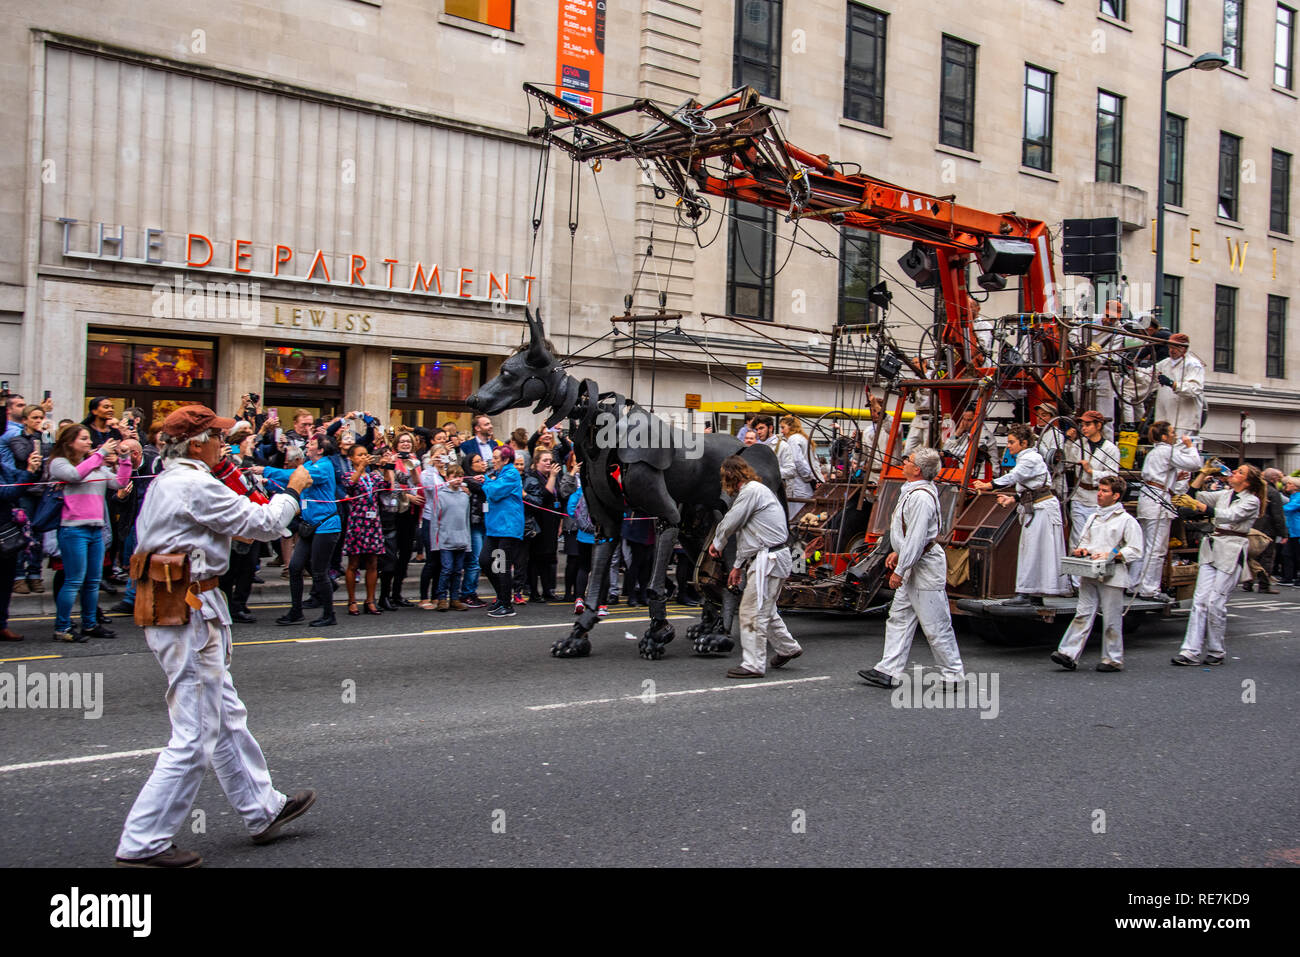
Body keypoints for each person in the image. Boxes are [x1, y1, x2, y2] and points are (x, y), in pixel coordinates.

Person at [114, 405, 315, 867]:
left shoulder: (170, 481)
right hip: (190, 608)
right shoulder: (192, 484)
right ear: (196, 443)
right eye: (216, 437)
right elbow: (261, 525)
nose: (222, 444)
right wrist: (291, 491)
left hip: (183, 603)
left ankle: (262, 808)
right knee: (196, 732)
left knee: (224, 715)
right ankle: (143, 841)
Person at [858, 448, 965, 689]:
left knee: (935, 624)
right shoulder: (916, 493)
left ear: (917, 469)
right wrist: (899, 551)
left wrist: (900, 569)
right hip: (917, 563)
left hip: (923, 568)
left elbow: (917, 539)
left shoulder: (920, 497)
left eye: (909, 460)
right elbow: (914, 536)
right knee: (900, 618)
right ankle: (888, 670)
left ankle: (952, 674)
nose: (904, 462)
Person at [708, 455, 800, 678]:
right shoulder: (755, 491)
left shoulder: (750, 492)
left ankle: (753, 665)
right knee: (766, 609)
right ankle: (788, 648)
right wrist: (737, 566)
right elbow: (748, 536)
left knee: (752, 611)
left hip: (768, 559)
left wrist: (717, 542)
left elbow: (731, 521)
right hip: (771, 557)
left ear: (729, 477)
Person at [1172, 464, 1265, 666]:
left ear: (1247, 482)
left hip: (1232, 549)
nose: (1234, 473)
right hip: (1213, 548)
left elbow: (1230, 515)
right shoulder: (1226, 493)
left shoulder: (1252, 500)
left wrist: (1200, 507)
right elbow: (1196, 495)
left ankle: (1216, 649)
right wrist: (1203, 474)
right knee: (1199, 600)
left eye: (1240, 472)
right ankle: (1190, 651)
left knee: (1216, 602)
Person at [47, 424, 131, 642]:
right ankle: (62, 627)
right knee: (74, 580)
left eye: (89, 439)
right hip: (73, 529)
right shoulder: (59, 463)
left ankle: (90, 624)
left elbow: (119, 482)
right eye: (83, 438)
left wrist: (124, 459)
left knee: (93, 581)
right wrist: (100, 455)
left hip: (96, 528)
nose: (89, 442)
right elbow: (74, 475)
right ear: (69, 442)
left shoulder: (95, 465)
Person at [1051, 476, 1144, 672]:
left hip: (1113, 574)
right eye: (1099, 490)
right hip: (1090, 570)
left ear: (1116, 496)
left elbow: (1135, 549)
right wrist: (1082, 550)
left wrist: (1113, 555)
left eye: (1104, 491)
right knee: (1083, 613)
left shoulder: (1127, 520)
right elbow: (1085, 541)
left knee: (1111, 619)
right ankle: (1068, 653)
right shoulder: (1094, 517)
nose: (1099, 494)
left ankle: (1112, 659)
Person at [973, 423, 1068, 604]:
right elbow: (1028, 484)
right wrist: (1013, 499)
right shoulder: (1028, 458)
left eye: (1011, 442)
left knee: (1034, 550)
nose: (1008, 446)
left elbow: (1014, 476)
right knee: (1031, 550)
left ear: (1023, 443)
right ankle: (1030, 592)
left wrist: (989, 485)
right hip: (1035, 507)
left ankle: (1027, 593)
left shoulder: (1030, 458)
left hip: (1042, 509)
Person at [259, 435, 341, 627]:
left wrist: (267, 470)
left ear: (320, 450)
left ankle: (329, 614)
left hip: (326, 525)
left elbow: (294, 476)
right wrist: (268, 482)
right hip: (309, 524)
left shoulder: (323, 467)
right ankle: (296, 611)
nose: (308, 445)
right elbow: (294, 484)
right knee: (295, 567)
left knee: (319, 572)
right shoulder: (311, 466)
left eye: (312, 444)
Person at [1132, 422, 1202, 602]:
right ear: (1164, 436)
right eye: (1171, 432)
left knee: (1145, 546)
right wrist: (1189, 446)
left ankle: (1135, 584)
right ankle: (1149, 589)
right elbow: (1194, 464)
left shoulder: (1155, 452)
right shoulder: (1166, 451)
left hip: (1148, 499)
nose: (1174, 435)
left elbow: (1160, 473)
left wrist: (1172, 476)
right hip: (1157, 502)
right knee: (1156, 549)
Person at [4, 404, 54, 594]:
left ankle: (35, 573)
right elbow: (24, 455)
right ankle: (18, 576)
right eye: (35, 418)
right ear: (25, 420)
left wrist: (47, 436)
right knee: (24, 532)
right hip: (26, 492)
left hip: (42, 491)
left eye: (41, 418)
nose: (39, 421)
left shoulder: (46, 438)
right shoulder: (19, 439)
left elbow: (50, 454)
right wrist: (37, 438)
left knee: (39, 534)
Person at [342, 445, 392, 616]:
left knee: (373, 563)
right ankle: (351, 600)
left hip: (373, 523)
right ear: (351, 458)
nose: (364, 457)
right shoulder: (348, 474)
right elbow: (349, 485)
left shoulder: (373, 477)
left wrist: (386, 467)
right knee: (353, 563)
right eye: (359, 455)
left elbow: (386, 487)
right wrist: (362, 467)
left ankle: (370, 600)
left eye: (366, 454)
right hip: (357, 522)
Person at [1067, 410, 1120, 559]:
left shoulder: (1110, 449)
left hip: (1098, 497)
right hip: (1079, 495)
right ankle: (1075, 579)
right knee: (1077, 537)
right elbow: (1068, 462)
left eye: (1088, 424)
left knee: (1096, 537)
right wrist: (1069, 442)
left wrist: (1091, 472)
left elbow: (1112, 476)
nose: (1084, 428)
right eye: (1082, 425)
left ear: (1098, 425)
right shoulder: (1079, 444)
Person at [378, 431, 421, 610]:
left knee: (405, 554)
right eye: (402, 441)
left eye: (408, 442)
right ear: (396, 444)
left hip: (409, 513)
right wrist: (408, 496)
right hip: (393, 513)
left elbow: (417, 483)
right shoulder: (390, 461)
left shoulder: (413, 461)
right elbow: (390, 486)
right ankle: (384, 595)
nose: (405, 444)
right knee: (390, 555)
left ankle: (397, 593)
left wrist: (411, 465)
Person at [483, 445, 524, 617]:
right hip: (495, 527)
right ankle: (502, 596)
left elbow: (494, 492)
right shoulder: (499, 474)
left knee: (501, 566)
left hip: (507, 527)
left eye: (496, 457)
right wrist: (489, 480)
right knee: (485, 561)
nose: (493, 460)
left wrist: (485, 481)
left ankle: (506, 604)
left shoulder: (511, 473)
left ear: (506, 459)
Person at [522, 449, 562, 602]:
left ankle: (548, 590)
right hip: (538, 523)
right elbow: (543, 498)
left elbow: (559, 499)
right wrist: (552, 477)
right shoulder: (533, 478)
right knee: (535, 559)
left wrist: (560, 523)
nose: (548, 463)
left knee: (549, 558)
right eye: (545, 460)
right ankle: (533, 591)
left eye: (550, 460)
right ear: (536, 463)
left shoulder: (554, 478)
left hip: (552, 521)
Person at [434, 464, 471, 610]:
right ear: (447, 478)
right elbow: (436, 520)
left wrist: (468, 542)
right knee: (447, 569)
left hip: (461, 538)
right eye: (454, 476)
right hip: (446, 539)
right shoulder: (441, 495)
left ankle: (455, 598)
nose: (457, 480)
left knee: (457, 571)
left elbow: (466, 519)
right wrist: (436, 542)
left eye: (459, 476)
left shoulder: (464, 496)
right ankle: (441, 597)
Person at [1243, 467, 1286, 593]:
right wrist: (1283, 533)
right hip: (1267, 529)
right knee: (1266, 557)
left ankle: (1248, 582)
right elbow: (1277, 514)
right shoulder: (1272, 492)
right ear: (1274, 478)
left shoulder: (1253, 490)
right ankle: (1264, 584)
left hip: (1251, 527)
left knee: (1251, 556)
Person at [417, 446, 448, 609]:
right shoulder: (427, 473)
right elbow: (429, 488)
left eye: (444, 455)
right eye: (438, 455)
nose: (441, 458)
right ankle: (423, 597)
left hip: (446, 520)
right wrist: (432, 466)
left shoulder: (448, 472)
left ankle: (437, 594)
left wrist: (445, 472)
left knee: (442, 561)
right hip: (431, 519)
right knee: (431, 560)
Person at [775, 415, 821, 519]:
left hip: (800, 484)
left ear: (791, 427)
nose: (782, 431)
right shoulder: (803, 438)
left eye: (783, 427)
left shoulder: (793, 439)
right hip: (806, 483)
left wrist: (807, 477)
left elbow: (797, 460)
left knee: (797, 515)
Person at [1281, 475, 1300, 585]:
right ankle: (1288, 577)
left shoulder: (1298, 498)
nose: (1286, 485)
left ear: (1297, 487)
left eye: (1290, 484)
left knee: (1297, 555)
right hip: (1292, 530)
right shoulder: (1293, 497)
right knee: (1287, 553)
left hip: (1298, 531)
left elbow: (1288, 508)